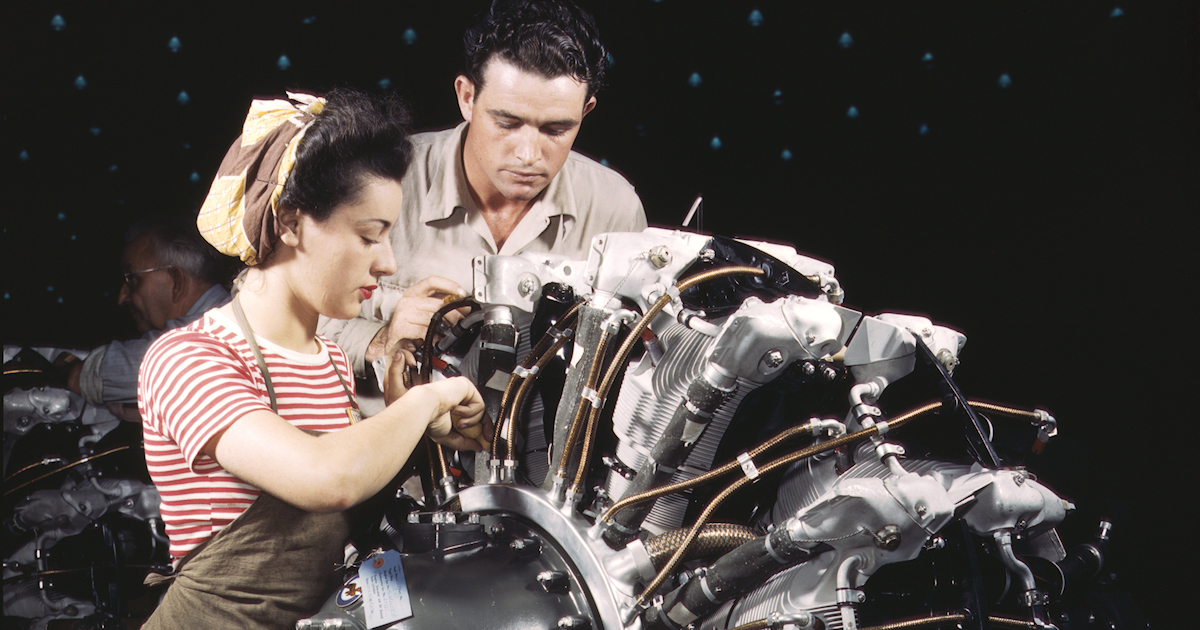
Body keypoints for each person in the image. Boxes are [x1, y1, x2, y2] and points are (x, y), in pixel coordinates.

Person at [137, 89, 488, 629]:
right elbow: (324, 478)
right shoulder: (188, 359)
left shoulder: (328, 359)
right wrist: (426, 400)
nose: (388, 262)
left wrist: (415, 421)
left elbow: (349, 531)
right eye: (370, 236)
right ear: (289, 222)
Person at [320, 0, 648, 391]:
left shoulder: (616, 209)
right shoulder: (381, 180)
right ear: (466, 98)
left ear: (586, 110)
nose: (528, 155)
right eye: (507, 123)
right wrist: (380, 341)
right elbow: (285, 318)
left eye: (556, 130)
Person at [64, 220, 232, 421]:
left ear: (177, 282)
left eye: (132, 279)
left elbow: (84, 377)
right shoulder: (232, 315)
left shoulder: (198, 340)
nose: (122, 297)